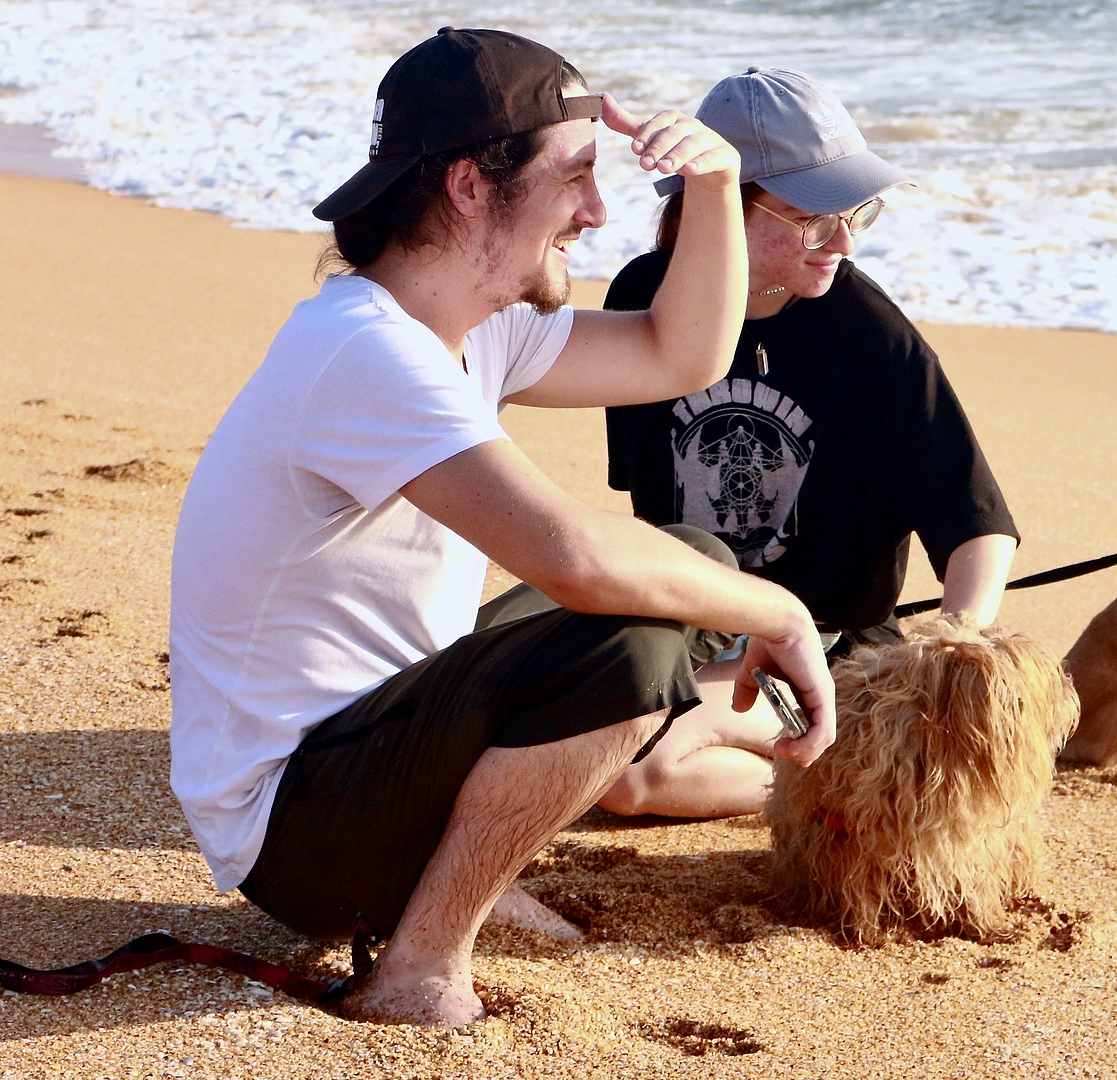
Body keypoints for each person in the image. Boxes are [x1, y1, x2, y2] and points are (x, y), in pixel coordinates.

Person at [167, 29, 837, 1029]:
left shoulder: (469, 330)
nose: (598, 213)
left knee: (688, 564)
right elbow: (568, 556)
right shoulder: (362, 351)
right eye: (574, 179)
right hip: (299, 832)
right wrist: (780, 611)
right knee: (625, 636)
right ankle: (420, 964)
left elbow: (680, 353)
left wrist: (715, 186)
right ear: (471, 189)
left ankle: (458, 870)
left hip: (367, 759)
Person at [598, 67, 1018, 820]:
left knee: (632, 776)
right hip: (685, 624)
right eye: (810, 217)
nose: (843, 241)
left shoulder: (868, 332)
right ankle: (844, 771)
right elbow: (650, 509)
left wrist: (952, 658)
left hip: (824, 649)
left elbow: (976, 526)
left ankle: (847, 778)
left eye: (858, 211)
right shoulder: (639, 298)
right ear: (718, 200)